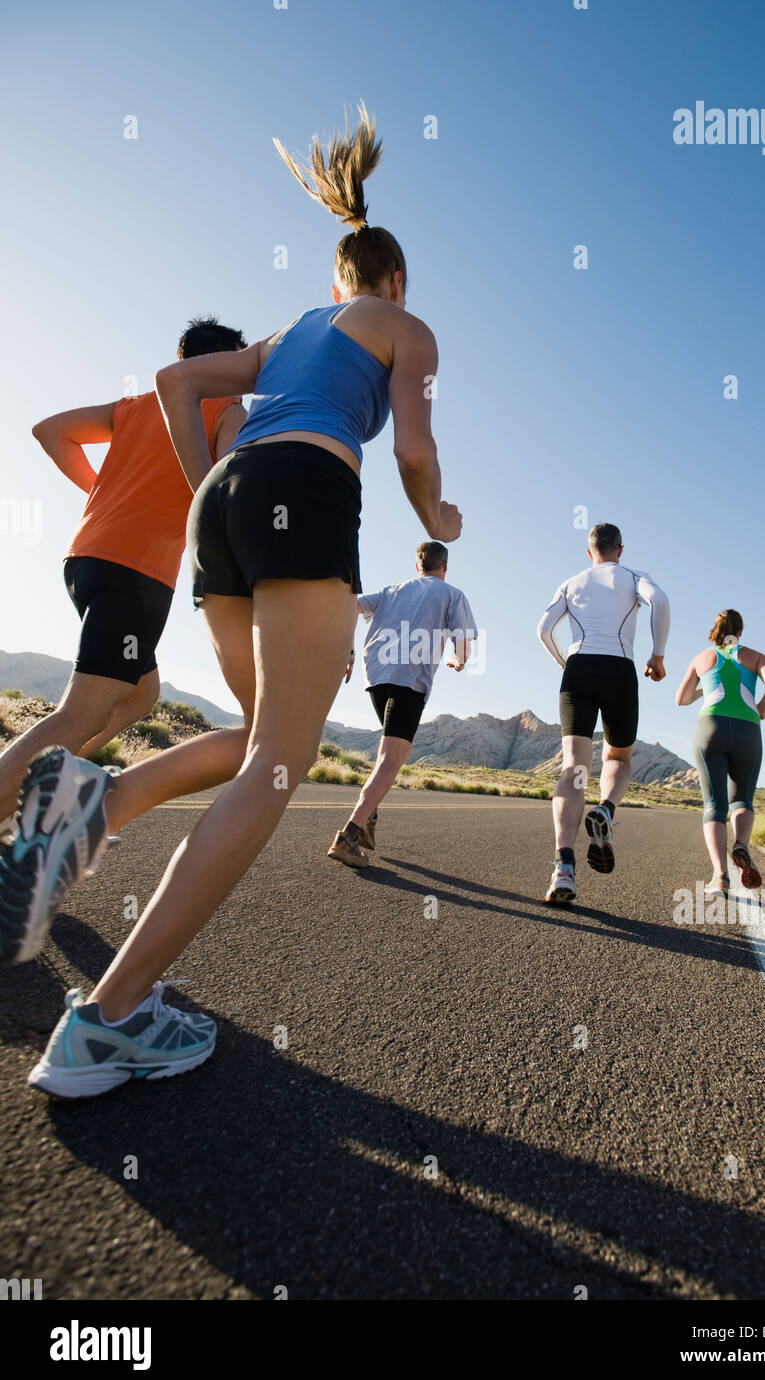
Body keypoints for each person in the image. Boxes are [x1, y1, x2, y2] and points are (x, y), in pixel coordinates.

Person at [3, 104, 461, 1099]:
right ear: (389, 280)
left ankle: (94, 802)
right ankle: (110, 1020)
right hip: (306, 489)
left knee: (261, 732)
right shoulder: (406, 326)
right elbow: (416, 452)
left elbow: (174, 381)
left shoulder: (291, 328)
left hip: (224, 506)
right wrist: (444, 514)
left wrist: (206, 478)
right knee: (283, 763)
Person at [0, 318, 247, 831]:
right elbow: (223, 490)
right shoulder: (226, 408)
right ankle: (19, 800)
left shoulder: (139, 405)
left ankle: (49, 779)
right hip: (138, 572)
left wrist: (98, 493)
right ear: (220, 365)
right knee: (80, 712)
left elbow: (50, 431)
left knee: (141, 692)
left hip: (85, 559)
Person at [537, 522, 670, 905]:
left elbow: (543, 630)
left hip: (579, 667)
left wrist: (566, 662)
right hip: (620, 668)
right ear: (620, 549)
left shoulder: (571, 582)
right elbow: (660, 602)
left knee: (574, 768)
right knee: (617, 756)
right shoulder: (632, 576)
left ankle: (564, 867)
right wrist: (658, 655)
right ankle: (607, 810)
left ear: (588, 551)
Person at [328, 540, 476, 866]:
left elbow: (349, 604)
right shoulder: (451, 594)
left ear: (417, 565)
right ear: (444, 566)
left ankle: (368, 818)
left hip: (376, 679)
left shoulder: (391, 591)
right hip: (410, 682)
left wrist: (348, 650)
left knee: (391, 755)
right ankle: (348, 835)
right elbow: (464, 645)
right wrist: (459, 660)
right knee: (390, 761)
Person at [675, 609, 765, 896]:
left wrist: (705, 689)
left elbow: (681, 699)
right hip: (748, 728)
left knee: (714, 805)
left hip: (710, 726)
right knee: (743, 799)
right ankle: (741, 846)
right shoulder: (756, 656)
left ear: (716, 629)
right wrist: (761, 708)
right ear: (741, 631)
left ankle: (720, 876)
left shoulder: (702, 658)